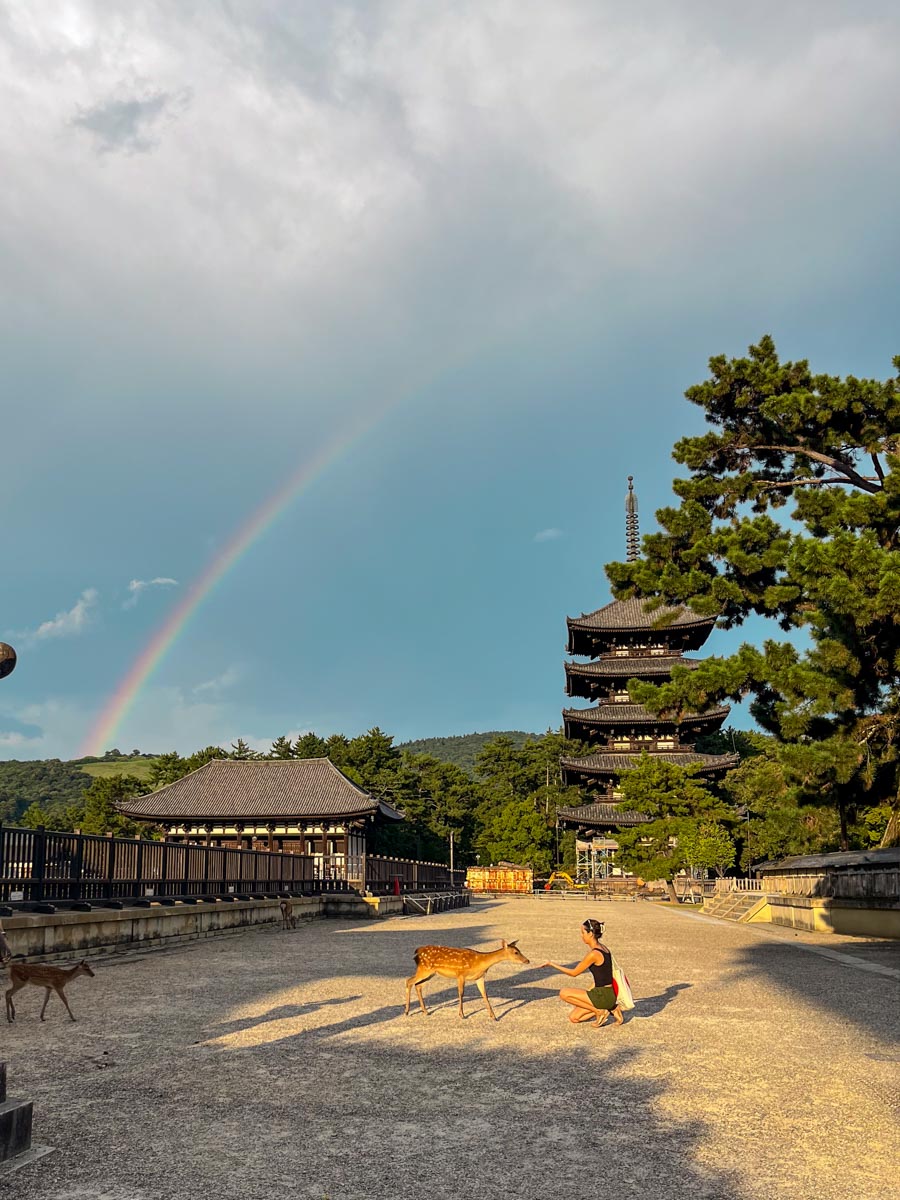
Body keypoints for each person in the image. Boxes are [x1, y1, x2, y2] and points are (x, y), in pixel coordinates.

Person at [541, 918, 624, 1027]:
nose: (581, 936)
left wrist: (552, 964)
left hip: (602, 995)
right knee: (574, 1018)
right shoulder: (604, 948)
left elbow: (574, 973)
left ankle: (599, 1011)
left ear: (590, 934)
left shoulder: (594, 954)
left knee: (563, 993)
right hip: (609, 995)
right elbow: (604, 975)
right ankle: (612, 1008)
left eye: (583, 932)